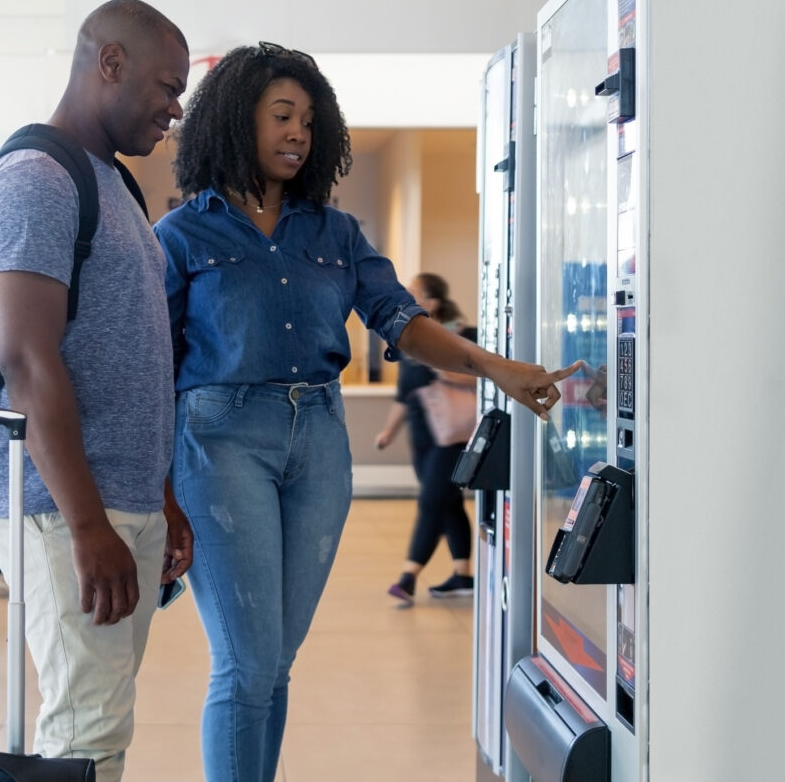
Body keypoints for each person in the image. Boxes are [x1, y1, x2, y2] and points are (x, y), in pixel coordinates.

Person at [153, 43, 577, 782]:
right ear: (232, 122)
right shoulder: (184, 236)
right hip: (219, 441)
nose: (298, 133)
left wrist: (491, 365)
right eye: (282, 116)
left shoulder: (335, 234)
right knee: (246, 662)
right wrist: (155, 489)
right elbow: (152, 365)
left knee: (277, 661)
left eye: (309, 121)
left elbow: (398, 318)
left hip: (318, 440)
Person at [0, 0, 194, 781]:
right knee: (86, 730)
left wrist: (157, 495)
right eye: (167, 85)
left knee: (100, 712)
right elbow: (27, 361)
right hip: (55, 502)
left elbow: (132, 352)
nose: (176, 106)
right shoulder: (37, 179)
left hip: (113, 498)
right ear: (110, 64)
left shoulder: (115, 186)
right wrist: (88, 524)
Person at [375, 272, 478, 604]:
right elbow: (405, 395)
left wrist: (437, 361)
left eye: (414, 291)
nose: (406, 294)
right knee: (448, 503)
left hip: (453, 434)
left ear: (432, 302)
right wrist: (389, 431)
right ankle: (463, 574)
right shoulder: (409, 337)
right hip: (423, 434)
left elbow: (479, 379)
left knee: (430, 502)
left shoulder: (461, 335)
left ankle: (408, 577)